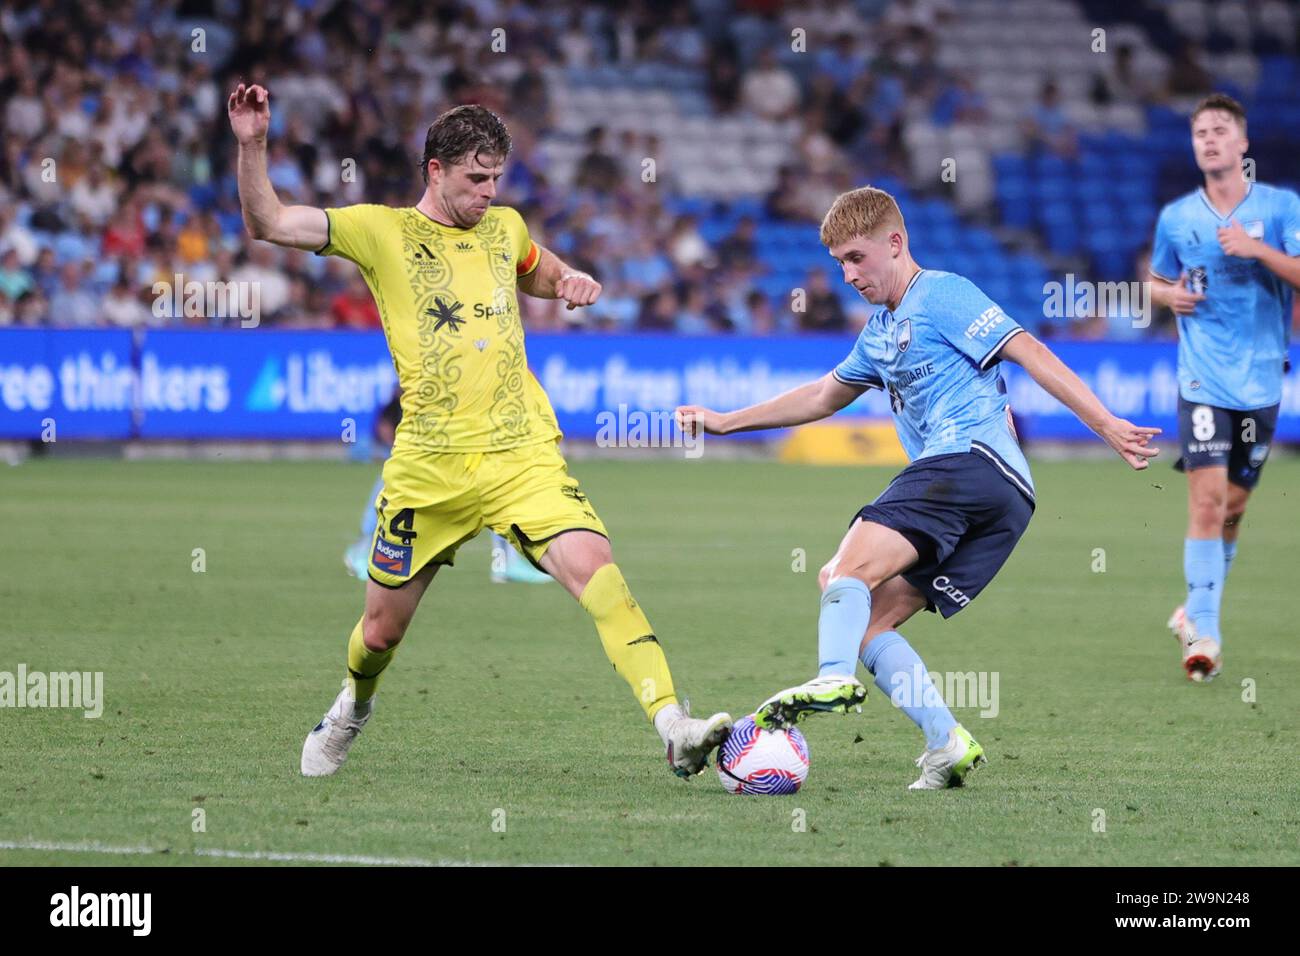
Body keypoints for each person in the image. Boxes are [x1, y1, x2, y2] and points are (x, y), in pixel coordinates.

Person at [228, 84, 731, 779]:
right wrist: (253, 143)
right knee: (379, 632)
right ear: (434, 171)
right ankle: (352, 705)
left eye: (496, 177)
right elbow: (270, 221)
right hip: (429, 465)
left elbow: (540, 270)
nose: (488, 191)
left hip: (520, 452)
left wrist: (571, 280)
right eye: (475, 178)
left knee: (601, 576)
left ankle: (673, 723)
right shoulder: (381, 231)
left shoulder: (507, 228)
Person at [676, 186, 1159, 789]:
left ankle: (830, 676)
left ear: (895, 242)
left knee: (840, 574)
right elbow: (824, 395)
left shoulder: (942, 294)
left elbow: (1027, 348)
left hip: (969, 461)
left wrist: (1106, 423)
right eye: (840, 265)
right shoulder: (878, 334)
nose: (849, 275)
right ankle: (946, 742)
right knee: (872, 623)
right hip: (1005, 501)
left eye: (856, 258)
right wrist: (727, 421)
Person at [1148, 94, 1300, 682]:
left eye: (1219, 131)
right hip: (1202, 377)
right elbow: (1155, 281)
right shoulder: (1177, 217)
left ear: (1242, 143)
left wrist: (1257, 250)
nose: (1208, 140)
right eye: (1199, 133)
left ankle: (1194, 604)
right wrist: (1169, 297)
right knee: (1207, 503)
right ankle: (1205, 631)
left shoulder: (1281, 207)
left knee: (1233, 510)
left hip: (1261, 379)